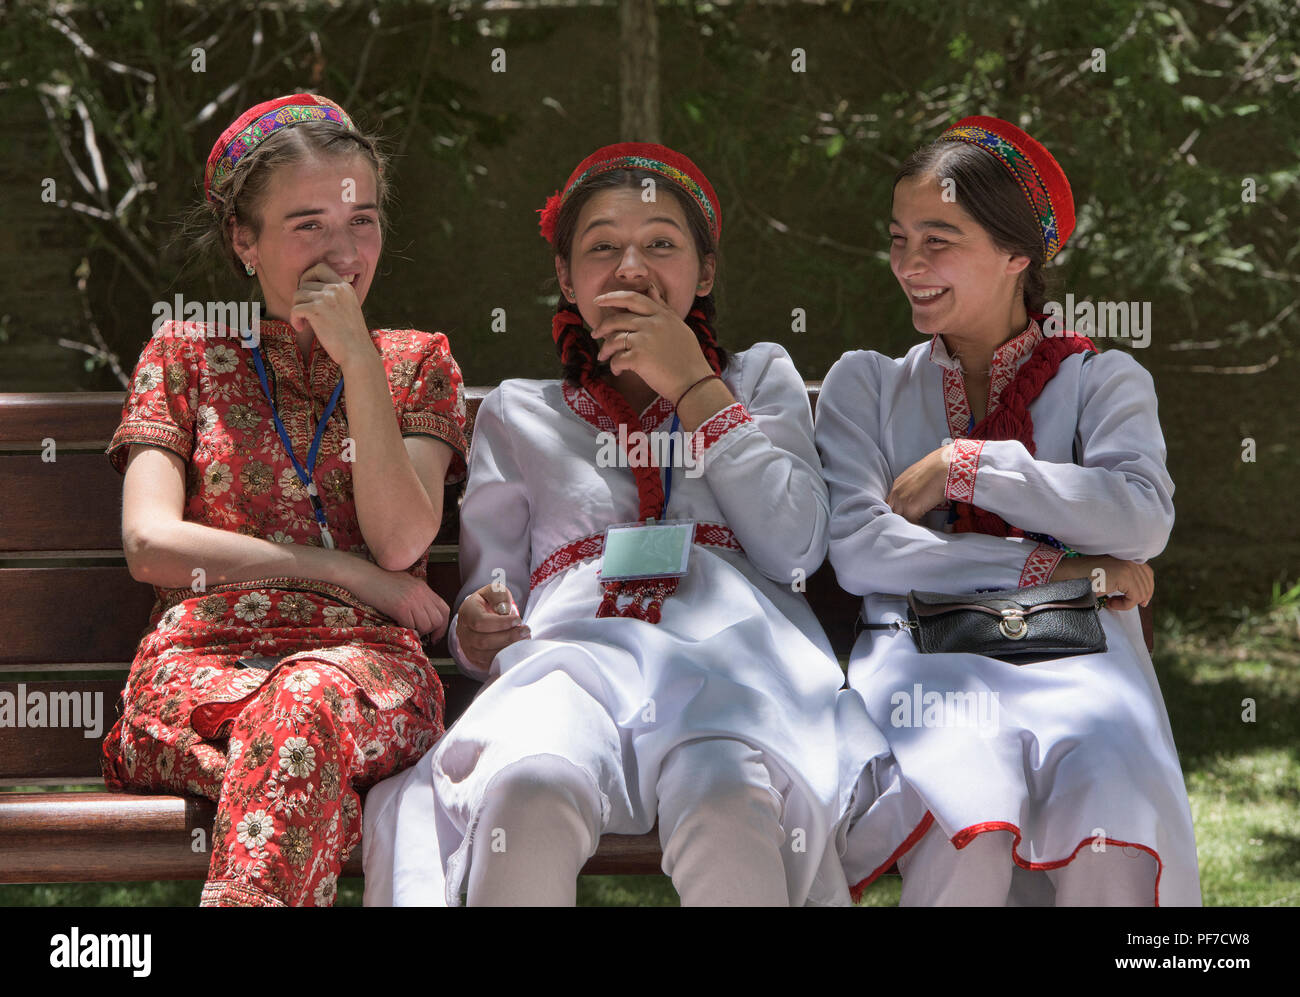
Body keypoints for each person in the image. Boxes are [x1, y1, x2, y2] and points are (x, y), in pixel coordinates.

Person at [362, 142, 870, 906]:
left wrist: (694, 384)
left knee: (730, 802)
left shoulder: (756, 378)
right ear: (567, 277)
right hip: (571, 669)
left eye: (661, 243)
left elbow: (794, 545)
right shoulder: (518, 412)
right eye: (603, 246)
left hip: (733, 674)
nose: (631, 266)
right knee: (528, 790)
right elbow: (488, 597)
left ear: (704, 272)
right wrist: (477, 624)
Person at [816, 116, 1200, 906]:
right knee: (971, 807)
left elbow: (1140, 521)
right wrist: (1054, 564)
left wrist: (973, 465)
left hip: (1080, 655)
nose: (909, 265)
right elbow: (860, 548)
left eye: (939, 239)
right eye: (899, 239)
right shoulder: (867, 385)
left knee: (1109, 791)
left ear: (1018, 254)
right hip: (925, 652)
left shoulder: (1102, 381)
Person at [102, 93, 468, 907]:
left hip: (363, 680)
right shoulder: (185, 355)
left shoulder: (414, 362)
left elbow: (403, 540)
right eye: (309, 226)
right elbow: (149, 542)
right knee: (293, 752)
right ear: (244, 240)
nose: (343, 253)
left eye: (362, 221)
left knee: (298, 717)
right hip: (200, 671)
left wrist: (358, 363)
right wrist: (345, 572)